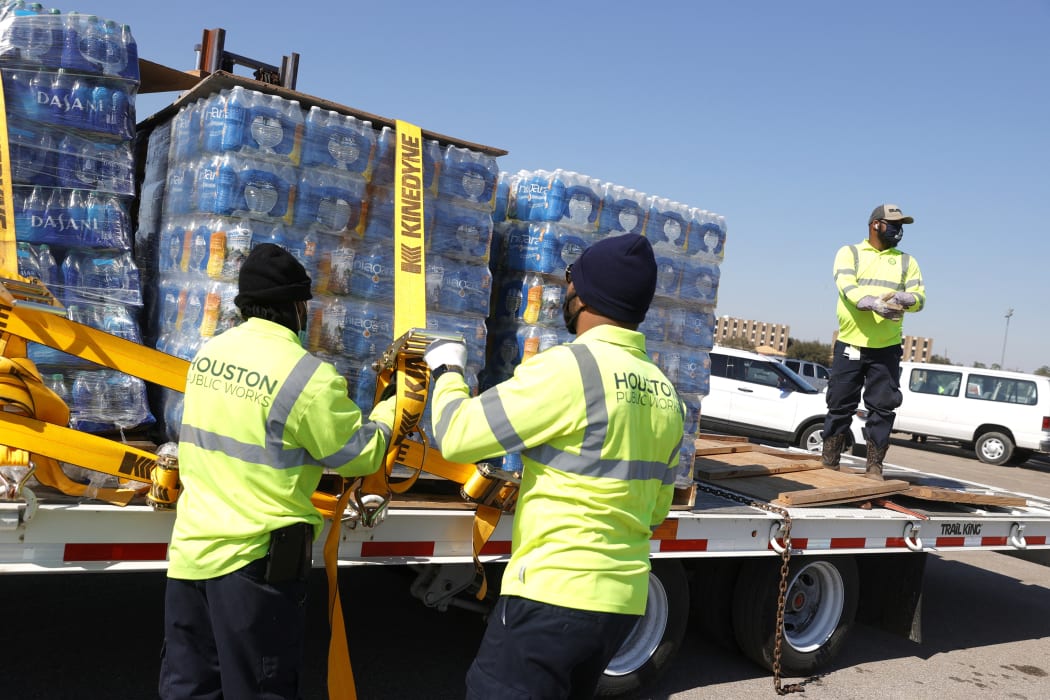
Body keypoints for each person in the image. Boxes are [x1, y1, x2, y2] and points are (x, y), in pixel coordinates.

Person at [423, 233, 686, 699]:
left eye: (570, 281)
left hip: (555, 595)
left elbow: (456, 435)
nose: (565, 292)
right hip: (622, 600)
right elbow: (656, 512)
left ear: (587, 295)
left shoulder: (570, 370)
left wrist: (446, 372)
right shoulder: (666, 393)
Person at [159, 243, 396, 699]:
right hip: (255, 565)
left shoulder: (208, 356)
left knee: (188, 687)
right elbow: (358, 454)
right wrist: (389, 417)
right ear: (297, 306)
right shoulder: (305, 376)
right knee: (260, 688)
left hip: (191, 554)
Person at [821, 204, 926, 479]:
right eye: (893, 224)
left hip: (886, 346)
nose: (899, 230)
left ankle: (874, 467)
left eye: (901, 225)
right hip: (851, 343)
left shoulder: (907, 261)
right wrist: (871, 304)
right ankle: (830, 460)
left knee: (883, 406)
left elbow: (920, 297)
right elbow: (847, 287)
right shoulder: (850, 253)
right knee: (840, 403)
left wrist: (907, 299)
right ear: (876, 224)